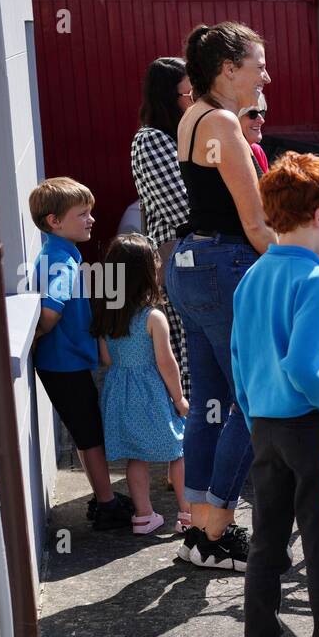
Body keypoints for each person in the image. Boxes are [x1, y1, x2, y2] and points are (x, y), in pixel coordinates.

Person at [229, 151, 319, 637]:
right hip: (310, 427)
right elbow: (310, 367)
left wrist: (257, 407)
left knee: (267, 544)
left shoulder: (252, 277)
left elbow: (238, 361)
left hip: (264, 425)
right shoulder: (317, 281)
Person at [164, 21, 276, 571]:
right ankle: (216, 527)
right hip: (225, 266)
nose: (266, 75)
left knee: (209, 401)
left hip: (190, 265)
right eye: (258, 64)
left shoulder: (192, 116)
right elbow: (255, 225)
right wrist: (302, 270)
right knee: (254, 400)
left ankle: (198, 527)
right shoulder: (226, 125)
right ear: (228, 69)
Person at [28, 177, 132, 529]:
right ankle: (106, 504)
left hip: (64, 362)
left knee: (87, 431)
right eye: (82, 214)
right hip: (64, 364)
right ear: (54, 221)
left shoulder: (60, 253)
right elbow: (50, 311)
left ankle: (105, 498)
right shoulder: (61, 261)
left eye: (90, 213)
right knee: (89, 434)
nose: (91, 220)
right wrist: (38, 336)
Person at [90, 234, 190, 535]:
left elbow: (106, 358)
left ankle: (144, 516)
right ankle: (187, 515)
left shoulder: (106, 315)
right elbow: (166, 363)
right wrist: (179, 399)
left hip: (119, 392)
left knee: (137, 455)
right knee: (178, 451)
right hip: (152, 394)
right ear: (146, 273)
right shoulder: (153, 317)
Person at [131, 56, 194, 402]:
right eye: (188, 94)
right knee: (187, 361)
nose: (194, 101)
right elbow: (183, 210)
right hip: (177, 262)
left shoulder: (182, 136)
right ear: (167, 97)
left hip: (191, 261)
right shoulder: (152, 141)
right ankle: (187, 448)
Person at [240, 95, 269, 172]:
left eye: (262, 112)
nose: (262, 120)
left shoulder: (256, 150)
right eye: (253, 113)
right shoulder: (221, 154)